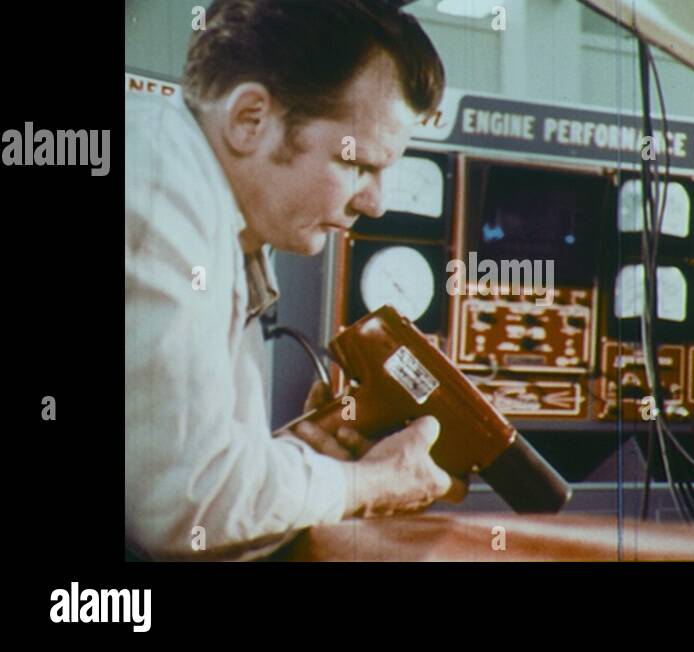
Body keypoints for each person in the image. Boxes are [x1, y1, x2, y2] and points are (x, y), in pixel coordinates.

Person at [125, 0, 466, 561]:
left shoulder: (231, 223)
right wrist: (369, 484)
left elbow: (179, 481)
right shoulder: (159, 186)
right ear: (250, 120)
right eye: (357, 164)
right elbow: (187, 505)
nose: (375, 203)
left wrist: (287, 466)